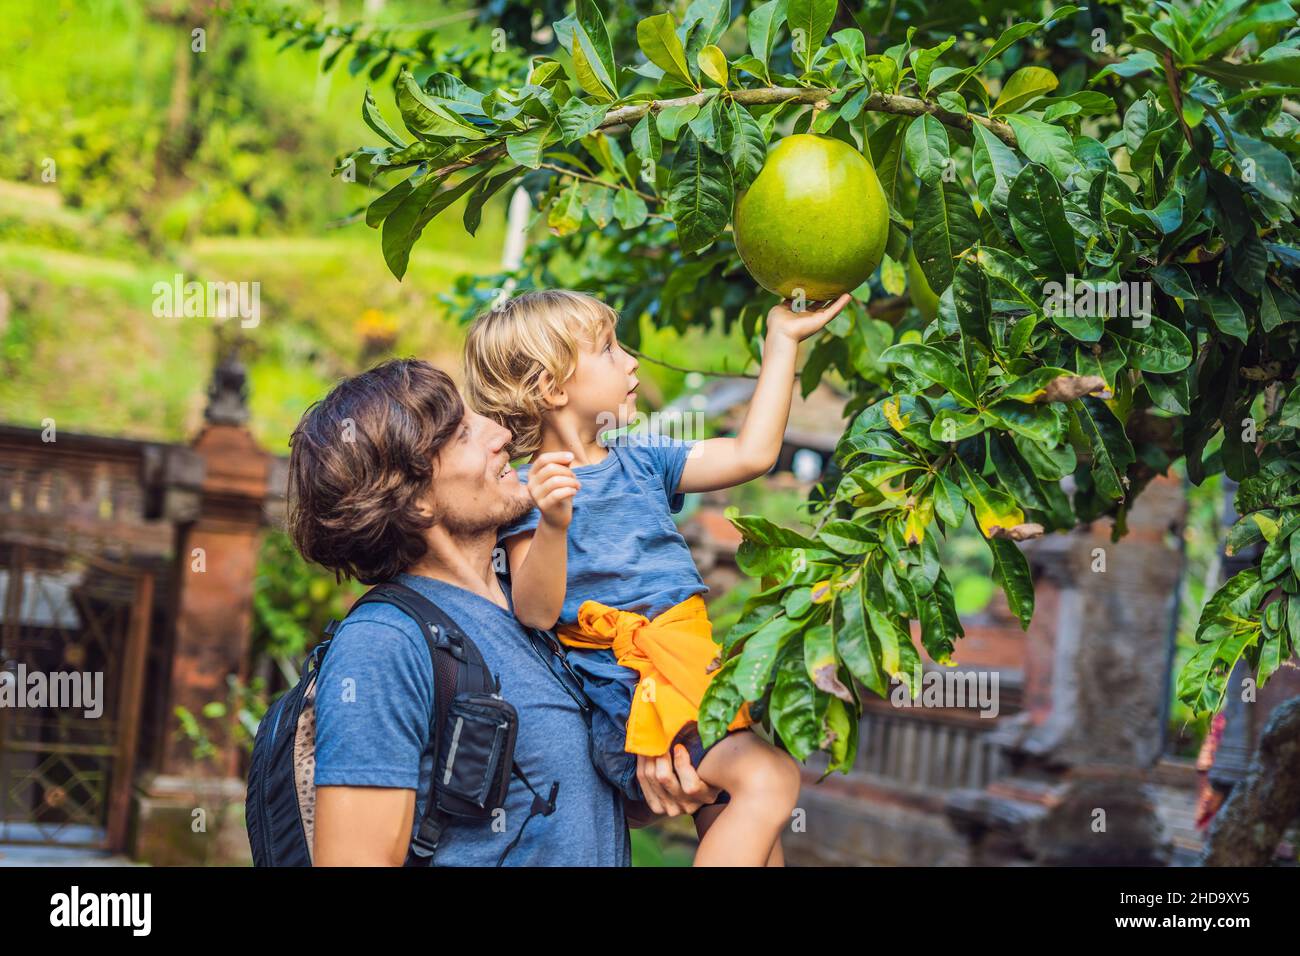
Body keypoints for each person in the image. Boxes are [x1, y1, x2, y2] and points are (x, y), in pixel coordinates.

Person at [463, 289, 851, 866]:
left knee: (762, 846)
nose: (631, 361)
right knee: (768, 780)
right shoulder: (532, 489)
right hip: (636, 697)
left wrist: (783, 341)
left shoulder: (641, 457)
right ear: (553, 388)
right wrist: (553, 522)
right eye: (609, 349)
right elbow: (536, 611)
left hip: (695, 674)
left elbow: (751, 454)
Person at [285, 358, 718, 866]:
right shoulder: (384, 645)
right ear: (415, 499)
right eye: (464, 433)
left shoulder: (543, 613)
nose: (502, 433)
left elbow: (553, 802)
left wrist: (659, 778)